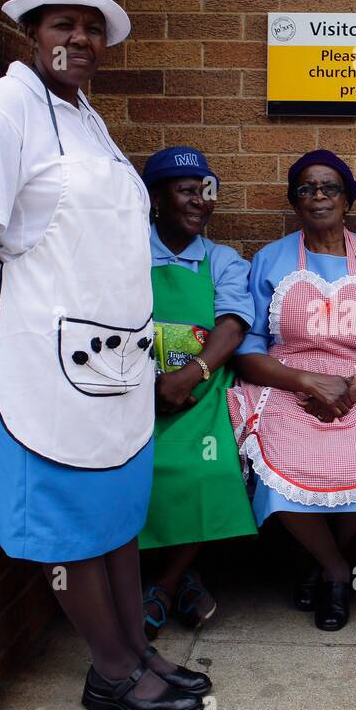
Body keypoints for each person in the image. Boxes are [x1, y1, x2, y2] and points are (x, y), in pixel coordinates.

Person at [0, 0, 206, 710]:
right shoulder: (5, 106)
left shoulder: (85, 116)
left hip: (113, 351)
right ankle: (112, 670)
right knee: (70, 516)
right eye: (62, 23)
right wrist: (22, 290)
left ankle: (135, 650)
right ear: (33, 32)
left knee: (113, 508)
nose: (78, 38)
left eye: (90, 27)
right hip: (43, 352)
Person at [227, 150, 356, 632]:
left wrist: (350, 386)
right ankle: (337, 570)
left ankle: (318, 563)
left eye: (329, 187)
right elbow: (248, 350)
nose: (318, 197)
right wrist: (305, 381)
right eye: (306, 189)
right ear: (295, 202)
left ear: (348, 199)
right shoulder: (268, 261)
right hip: (286, 381)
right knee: (278, 457)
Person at [137, 146, 257, 635]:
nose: (200, 203)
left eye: (206, 193)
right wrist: (150, 385)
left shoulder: (222, 260)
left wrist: (190, 376)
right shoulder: (126, 254)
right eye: (187, 191)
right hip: (134, 389)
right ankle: (184, 581)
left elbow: (232, 326)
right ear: (156, 198)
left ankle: (161, 588)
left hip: (202, 392)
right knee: (141, 473)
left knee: (210, 468)